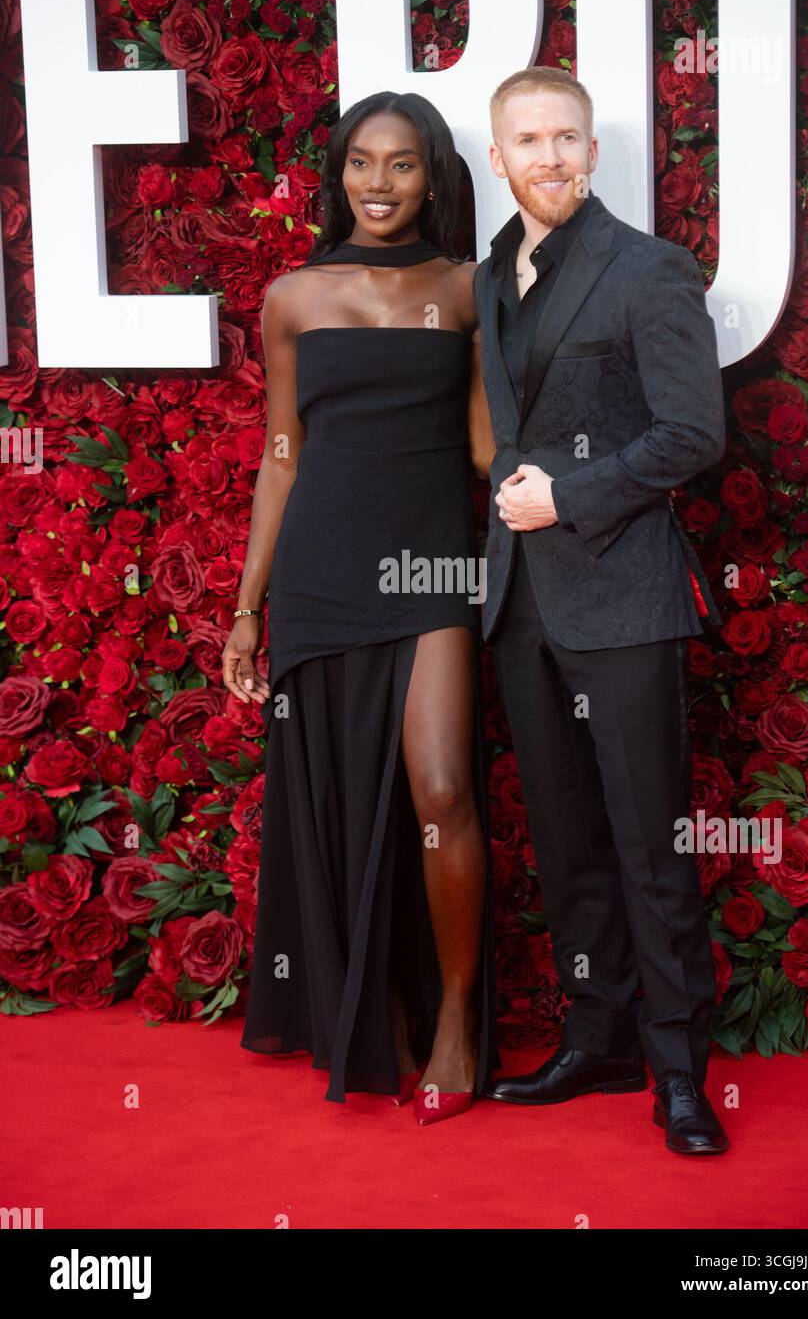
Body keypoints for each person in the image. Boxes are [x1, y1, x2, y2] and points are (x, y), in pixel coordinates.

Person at [226, 91, 499, 1126]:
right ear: (337, 174)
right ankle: (368, 1007)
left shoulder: (469, 290)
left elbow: (480, 449)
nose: (378, 185)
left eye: (401, 165)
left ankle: (457, 1019)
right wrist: (249, 605)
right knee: (341, 798)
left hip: (432, 562)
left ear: (433, 176)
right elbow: (279, 457)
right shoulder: (292, 295)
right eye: (359, 163)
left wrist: (586, 485)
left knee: (440, 788)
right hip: (320, 567)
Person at [474, 66, 730, 1155]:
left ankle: (679, 1072)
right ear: (498, 158)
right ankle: (600, 1036)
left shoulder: (646, 269)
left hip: (620, 591)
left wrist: (566, 494)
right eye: (527, 139)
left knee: (646, 843)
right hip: (519, 603)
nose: (548, 157)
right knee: (569, 841)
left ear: (591, 149)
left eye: (565, 138)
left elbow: (690, 434)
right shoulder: (488, 275)